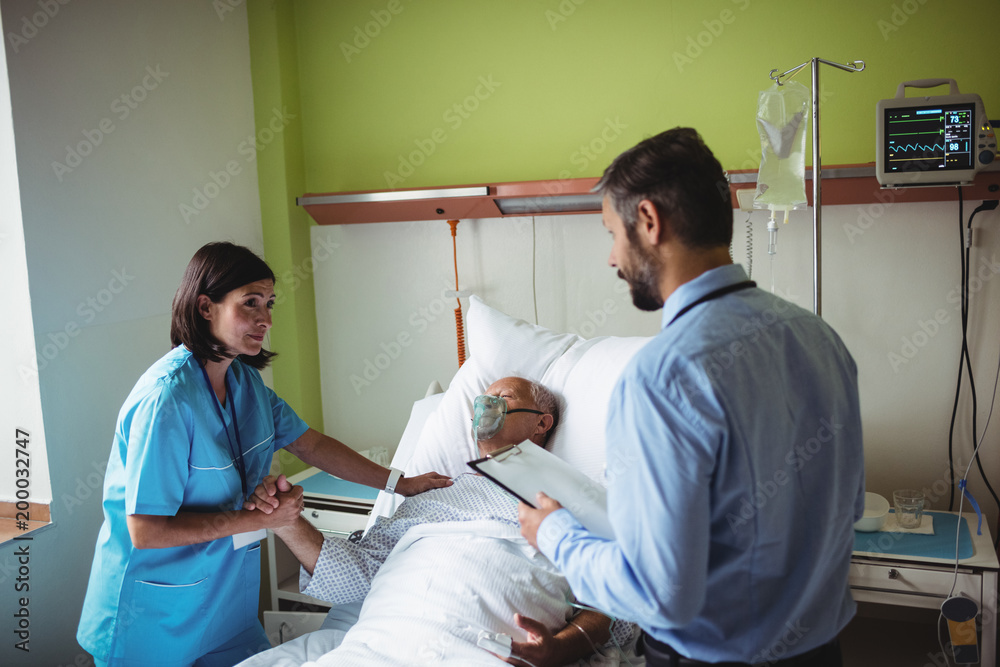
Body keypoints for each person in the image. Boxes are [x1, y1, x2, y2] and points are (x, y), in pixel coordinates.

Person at [518, 128, 865, 666]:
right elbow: (846, 508)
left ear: (650, 222)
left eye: (612, 232)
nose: (612, 258)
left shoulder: (661, 376)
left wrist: (556, 533)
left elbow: (660, 595)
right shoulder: (820, 339)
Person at [77, 242, 451, 667]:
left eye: (269, 303)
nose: (265, 319)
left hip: (224, 605)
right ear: (205, 307)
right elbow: (146, 530)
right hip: (153, 613)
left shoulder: (245, 385)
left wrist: (398, 482)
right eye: (249, 303)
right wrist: (263, 519)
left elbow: (311, 444)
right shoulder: (167, 400)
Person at [241, 376, 634, 667]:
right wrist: (287, 522)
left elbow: (621, 597)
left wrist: (562, 647)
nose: (485, 405)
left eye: (502, 398)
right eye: (481, 398)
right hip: (379, 647)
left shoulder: (574, 499)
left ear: (541, 424)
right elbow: (353, 577)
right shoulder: (433, 494)